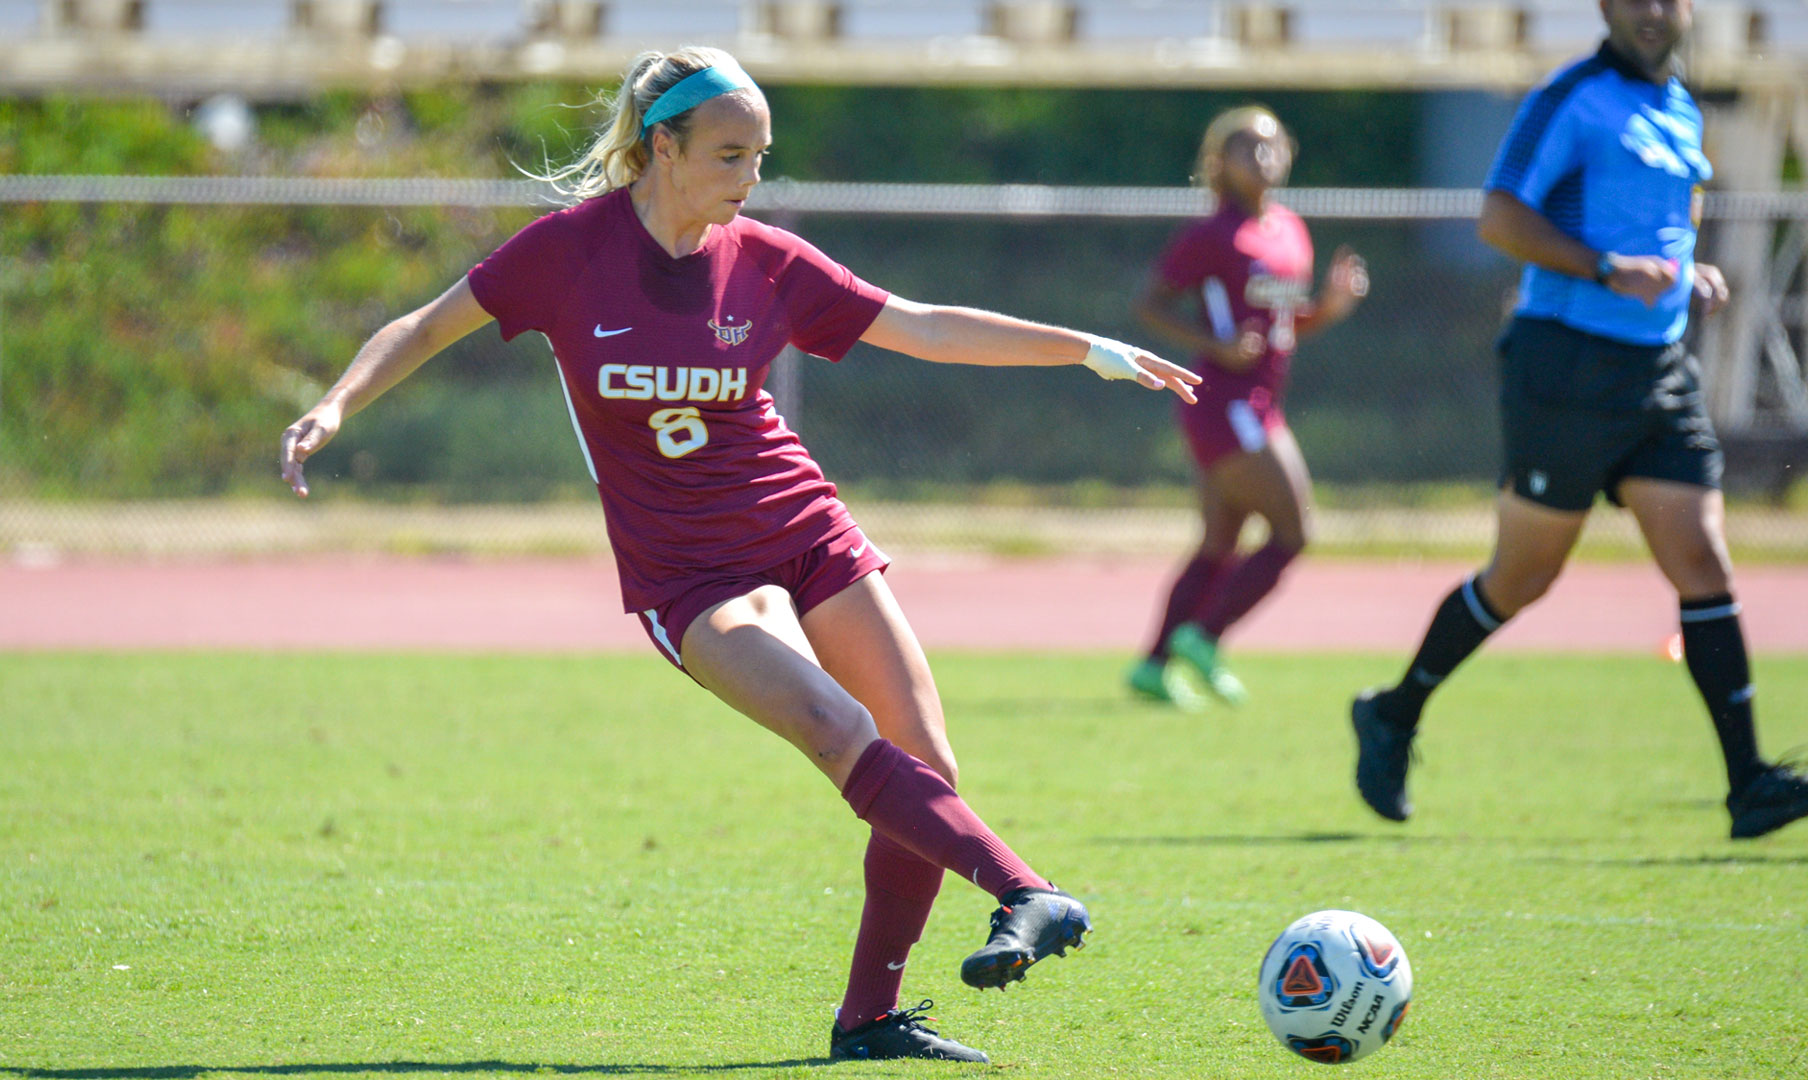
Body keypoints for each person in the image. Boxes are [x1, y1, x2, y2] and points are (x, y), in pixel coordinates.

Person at [280, 47, 1202, 1062]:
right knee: (833, 724)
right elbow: (422, 326)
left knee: (927, 760)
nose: (749, 175)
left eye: (759, 154)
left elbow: (925, 327)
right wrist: (334, 404)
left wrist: (1083, 348)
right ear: (660, 147)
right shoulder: (565, 253)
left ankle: (872, 1020)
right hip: (689, 577)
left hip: (803, 531)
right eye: (729, 153)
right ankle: (1029, 892)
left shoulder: (765, 259)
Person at [1350, 0, 1808, 840]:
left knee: (1704, 561)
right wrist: (1603, 267)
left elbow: (1668, 219)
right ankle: (1393, 710)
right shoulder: (1571, 97)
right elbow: (1499, 216)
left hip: (1660, 371)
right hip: (1564, 366)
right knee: (1523, 577)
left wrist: (1685, 269)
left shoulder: (1678, 105)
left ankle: (1749, 783)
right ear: (1603, 6)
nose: (1648, 10)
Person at [1125, 106, 1367, 708]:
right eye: (1246, 148)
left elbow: (1282, 324)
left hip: (1260, 400)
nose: (1262, 157)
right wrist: (1216, 347)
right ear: (1219, 164)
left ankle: (1154, 666)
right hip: (1224, 403)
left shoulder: (1288, 229)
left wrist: (1331, 309)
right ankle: (1202, 638)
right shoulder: (1213, 235)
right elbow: (1149, 306)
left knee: (1218, 543)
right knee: (1295, 531)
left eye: (1271, 146)